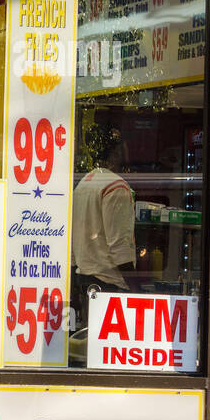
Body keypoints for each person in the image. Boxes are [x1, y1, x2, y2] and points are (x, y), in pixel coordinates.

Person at [71, 125, 136, 326]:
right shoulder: (116, 187)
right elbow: (119, 247)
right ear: (115, 154)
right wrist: (136, 288)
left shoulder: (84, 183)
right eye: (123, 150)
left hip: (84, 280)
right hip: (109, 285)